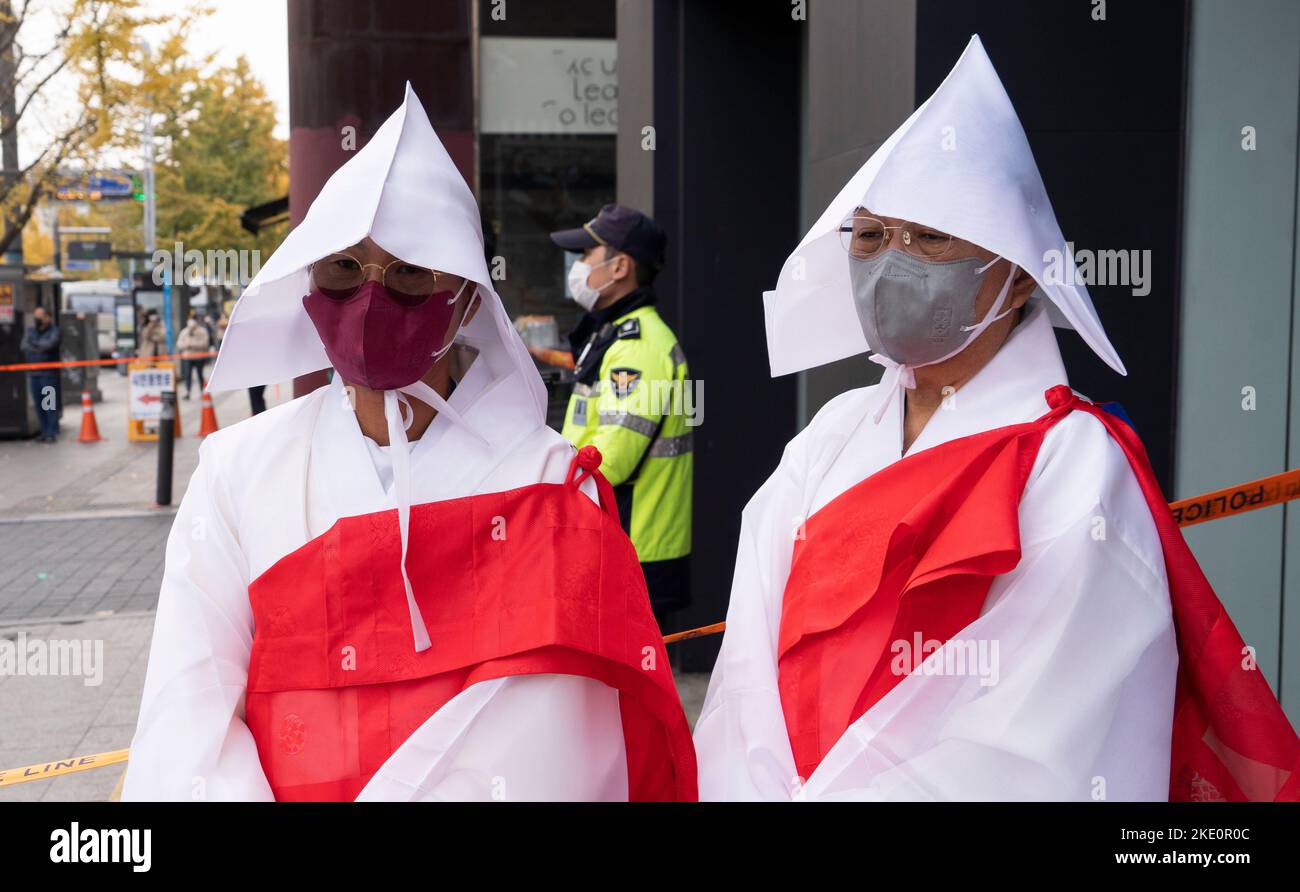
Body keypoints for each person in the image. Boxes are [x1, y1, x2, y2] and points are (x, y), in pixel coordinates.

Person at [694, 36, 1299, 802]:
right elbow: (749, 664)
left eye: (932, 238)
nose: (892, 262)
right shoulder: (830, 435)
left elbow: (1041, 725)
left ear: (1015, 275)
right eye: (873, 236)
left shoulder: (1074, 459)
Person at [122, 85, 696, 802]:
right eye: (342, 269)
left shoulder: (550, 481)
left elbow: (558, 742)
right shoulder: (236, 472)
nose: (371, 295)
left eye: (409, 272)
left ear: (466, 296)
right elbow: (190, 716)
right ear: (308, 282)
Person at [550, 205, 693, 629]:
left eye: (586, 255)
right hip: (624, 541)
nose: (577, 266)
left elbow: (609, 462)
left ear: (621, 267)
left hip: (633, 546)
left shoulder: (637, 346)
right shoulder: (615, 334)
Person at [20, 306, 61, 442]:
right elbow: (24, 346)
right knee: (39, 405)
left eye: (40, 315)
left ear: (47, 317)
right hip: (34, 374)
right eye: (35, 315)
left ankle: (51, 432)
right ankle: (44, 431)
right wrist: (38, 346)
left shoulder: (54, 331)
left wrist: (34, 345)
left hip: (48, 375)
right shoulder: (31, 331)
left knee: (49, 405)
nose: (37, 319)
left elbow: (49, 345)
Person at [176, 311, 211, 399]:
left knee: (200, 374)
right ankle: (188, 391)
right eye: (190, 319)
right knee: (187, 375)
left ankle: (202, 391)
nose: (191, 322)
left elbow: (205, 343)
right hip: (187, 357)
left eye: (193, 320)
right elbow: (179, 343)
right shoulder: (184, 331)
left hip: (199, 357)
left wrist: (192, 345)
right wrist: (185, 345)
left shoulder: (202, 331)